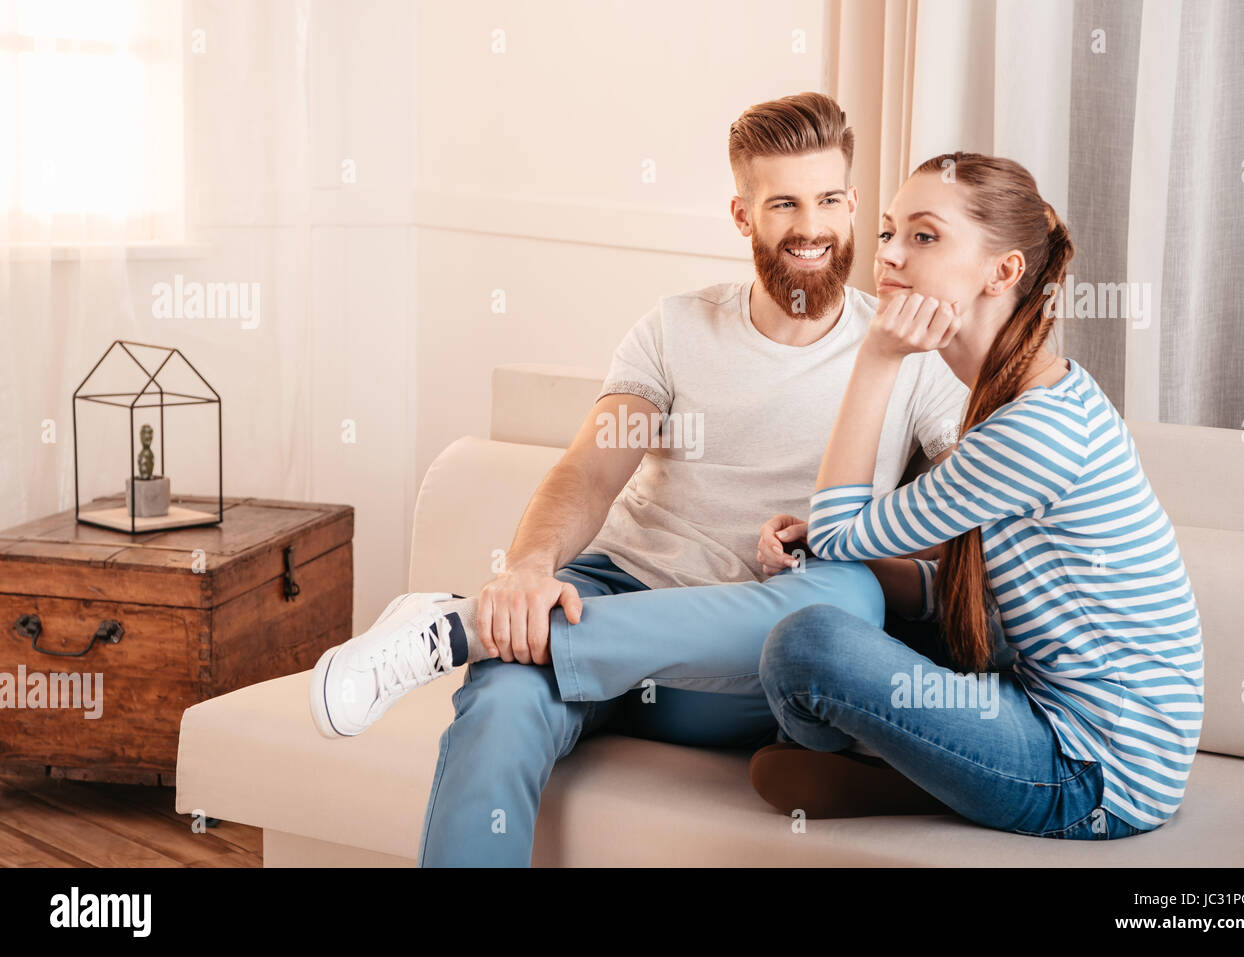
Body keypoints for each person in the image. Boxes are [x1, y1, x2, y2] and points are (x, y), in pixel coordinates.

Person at [305, 91, 974, 866]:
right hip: (615, 598)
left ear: (854, 203)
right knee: (502, 697)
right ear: (741, 215)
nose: (811, 227)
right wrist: (526, 571)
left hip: (753, 665)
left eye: (828, 199)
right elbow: (589, 472)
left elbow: (970, 521)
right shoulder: (675, 328)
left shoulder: (906, 351)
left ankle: (459, 625)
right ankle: (495, 627)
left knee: (844, 598)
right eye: (784, 203)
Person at [750, 151, 1204, 840]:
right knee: (844, 585)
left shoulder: (1034, 428)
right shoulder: (1029, 394)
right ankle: (936, 766)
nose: (890, 256)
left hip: (1095, 771)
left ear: (1004, 271)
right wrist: (823, 547)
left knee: (806, 645)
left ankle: (919, 771)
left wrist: (875, 357)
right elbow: (960, 591)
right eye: (888, 232)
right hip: (1044, 703)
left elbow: (843, 529)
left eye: (925, 236)